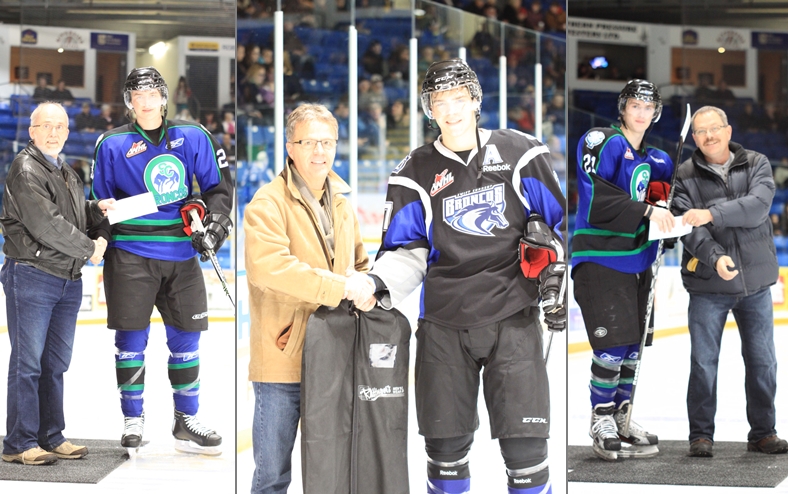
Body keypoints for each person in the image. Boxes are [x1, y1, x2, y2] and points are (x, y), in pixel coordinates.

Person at [367, 59, 566, 493]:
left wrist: (553, 270)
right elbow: (406, 250)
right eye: (440, 101)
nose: (451, 110)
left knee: (526, 450)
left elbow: (555, 226)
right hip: (444, 321)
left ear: (476, 100)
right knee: (445, 450)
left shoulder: (521, 152)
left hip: (512, 314)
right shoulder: (412, 172)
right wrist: (375, 282)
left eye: (459, 98)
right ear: (429, 109)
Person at [91, 67, 233, 456]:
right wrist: (99, 237)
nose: (146, 99)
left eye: (153, 92)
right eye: (138, 94)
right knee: (131, 341)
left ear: (165, 97)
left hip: (182, 254)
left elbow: (219, 188)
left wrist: (216, 227)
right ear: (129, 101)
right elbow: (99, 205)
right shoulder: (111, 143)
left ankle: (186, 419)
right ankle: (132, 419)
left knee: (187, 340)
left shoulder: (193, 135)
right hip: (129, 256)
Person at [243, 103, 372, 493]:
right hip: (284, 360)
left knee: (330, 471)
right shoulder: (268, 204)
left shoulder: (342, 203)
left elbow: (360, 264)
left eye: (328, 142)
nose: (320, 151)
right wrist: (339, 287)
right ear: (290, 146)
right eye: (309, 141)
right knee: (272, 477)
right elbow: (270, 269)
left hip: (334, 356)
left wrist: (366, 285)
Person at [671, 105, 787, 457]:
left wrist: (711, 213)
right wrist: (715, 256)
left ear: (728, 130)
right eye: (701, 131)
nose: (709, 136)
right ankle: (701, 435)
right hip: (708, 284)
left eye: (715, 128)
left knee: (763, 361)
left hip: (755, 284)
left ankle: (763, 432)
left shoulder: (757, 163)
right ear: (694, 138)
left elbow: (757, 207)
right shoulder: (685, 174)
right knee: (704, 363)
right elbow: (689, 228)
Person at [1, 102, 113, 465]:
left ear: (68, 131)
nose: (53, 132)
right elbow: (47, 225)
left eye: (60, 126)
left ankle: (51, 435)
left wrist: (97, 211)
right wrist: (90, 249)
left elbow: (73, 216)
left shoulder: (66, 171)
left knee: (54, 364)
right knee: (28, 363)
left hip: (66, 278)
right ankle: (19, 443)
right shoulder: (26, 169)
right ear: (32, 131)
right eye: (45, 125)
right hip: (32, 276)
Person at [571, 79, 675, 461]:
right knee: (612, 345)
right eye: (635, 106)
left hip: (640, 260)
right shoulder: (601, 140)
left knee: (632, 348)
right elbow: (596, 198)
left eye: (649, 108)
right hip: (600, 257)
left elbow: (662, 208)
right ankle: (600, 419)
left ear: (656, 113)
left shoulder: (660, 161)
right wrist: (649, 211)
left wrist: (672, 223)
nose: (642, 113)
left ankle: (622, 415)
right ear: (623, 108)